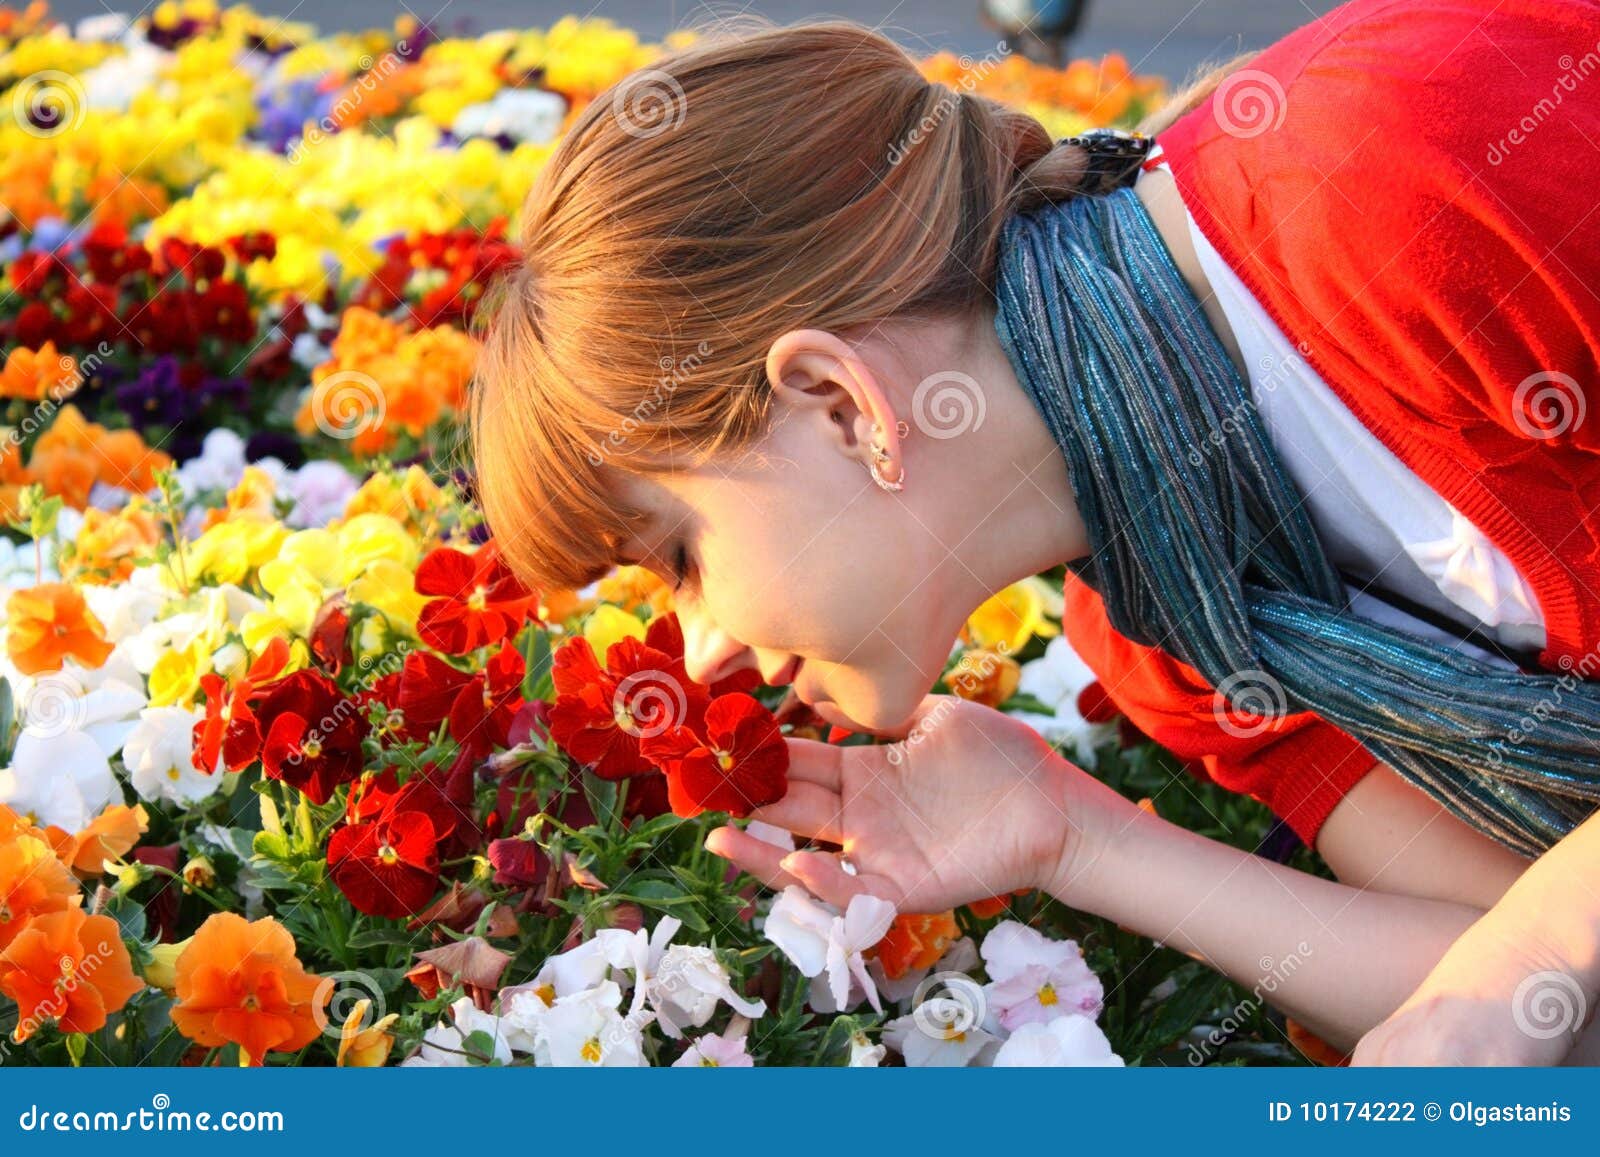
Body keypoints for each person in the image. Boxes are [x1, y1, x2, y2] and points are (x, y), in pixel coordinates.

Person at [471, 0, 1600, 1064]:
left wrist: (1536, 949)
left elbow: (1537, 961)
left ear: (837, 400)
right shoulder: (1176, 623)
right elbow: (1532, 997)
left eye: (678, 558)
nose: (700, 649)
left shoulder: (1398, 172)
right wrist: (1073, 834)